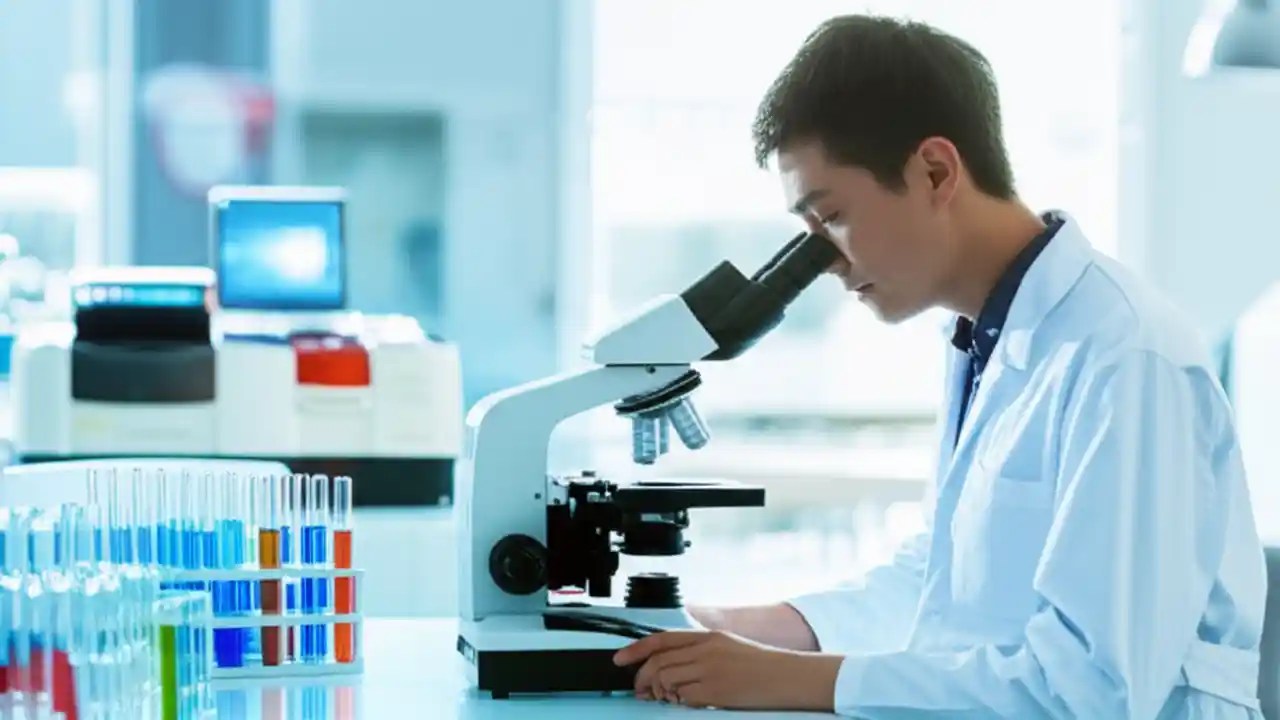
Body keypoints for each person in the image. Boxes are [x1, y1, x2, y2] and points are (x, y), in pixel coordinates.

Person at [612, 14, 1267, 718]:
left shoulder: (1125, 356)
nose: (825, 261)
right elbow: (942, 582)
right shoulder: (985, 339)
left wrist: (787, 680)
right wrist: (742, 630)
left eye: (828, 217)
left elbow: (1093, 693)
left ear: (934, 171)